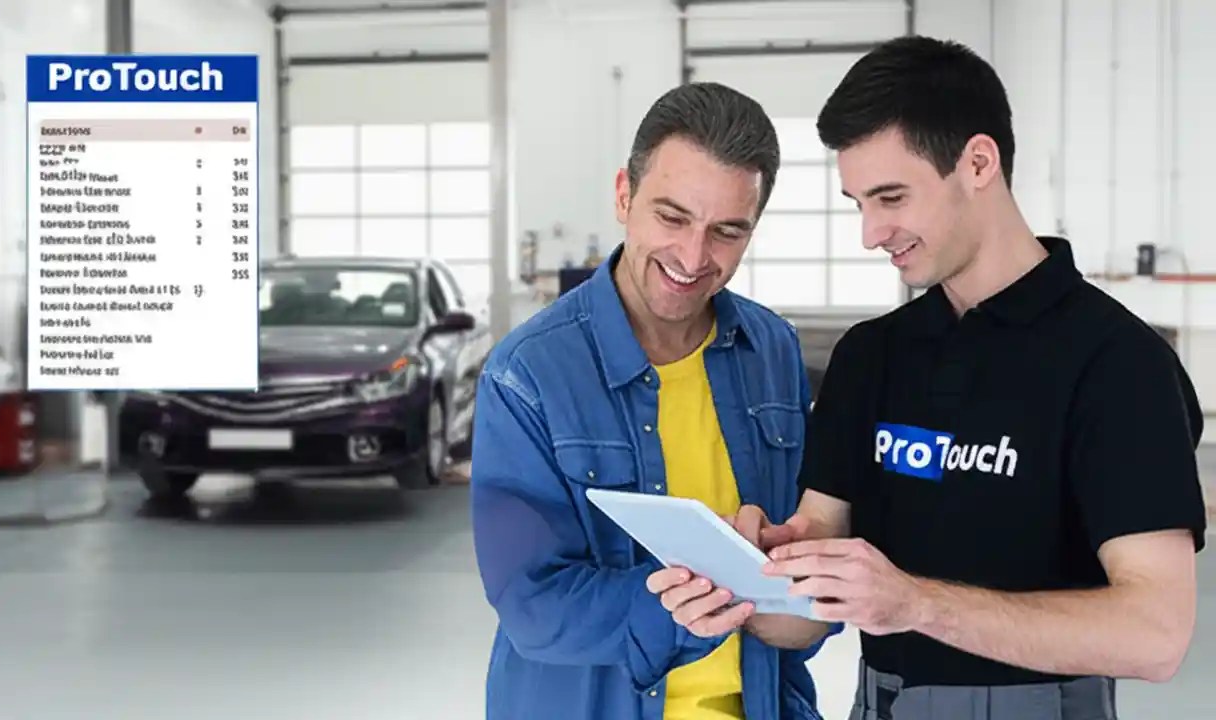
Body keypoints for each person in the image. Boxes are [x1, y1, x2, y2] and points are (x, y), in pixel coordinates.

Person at [648, 36, 1207, 719]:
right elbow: (803, 614)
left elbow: (1156, 636)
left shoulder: (1118, 364)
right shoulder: (871, 356)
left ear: (978, 163)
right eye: (859, 202)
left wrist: (916, 603)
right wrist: (748, 579)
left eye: (891, 197)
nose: (871, 232)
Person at [470, 81, 836, 720]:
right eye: (672, 217)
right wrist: (680, 608)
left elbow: (802, 567)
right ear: (624, 195)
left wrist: (804, 585)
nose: (694, 257)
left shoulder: (772, 348)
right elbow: (533, 605)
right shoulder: (527, 373)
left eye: (727, 231)